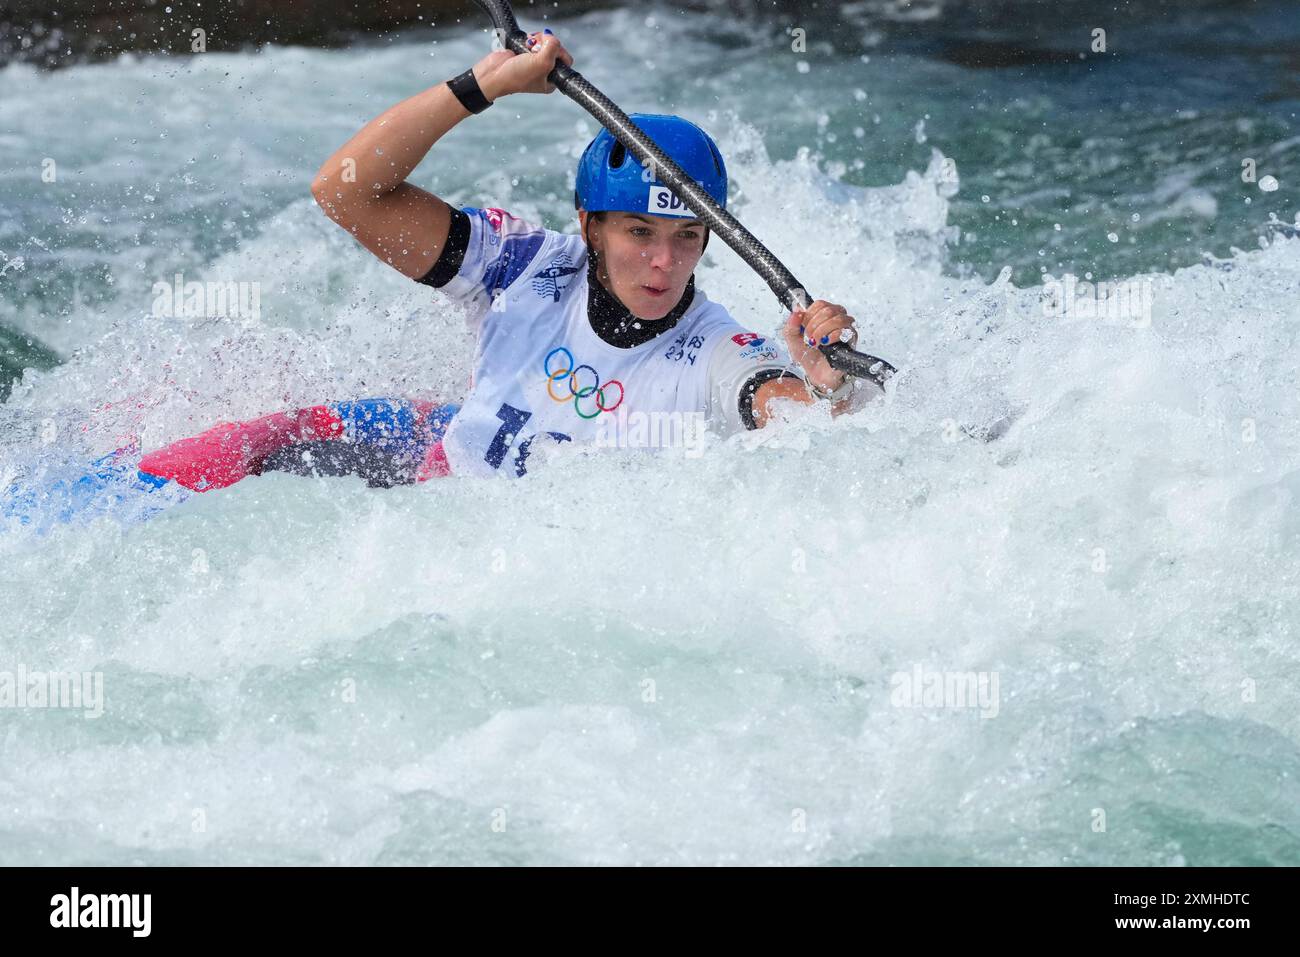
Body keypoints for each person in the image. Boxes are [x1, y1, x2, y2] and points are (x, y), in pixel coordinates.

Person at [307, 27, 876, 478]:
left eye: (686, 236)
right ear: (589, 227)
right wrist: (485, 84)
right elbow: (345, 189)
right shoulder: (519, 262)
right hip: (435, 467)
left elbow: (794, 420)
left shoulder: (719, 351)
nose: (664, 261)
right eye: (639, 232)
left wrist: (828, 390)